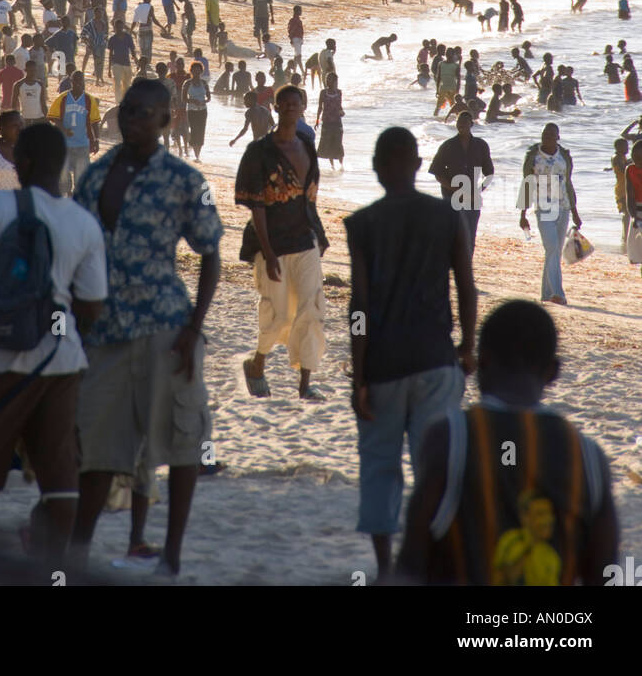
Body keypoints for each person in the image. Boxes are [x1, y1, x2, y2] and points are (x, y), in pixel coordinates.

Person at [71, 79, 222, 576]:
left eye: (145, 113)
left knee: (181, 442)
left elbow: (211, 254)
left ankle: (172, 557)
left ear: (167, 120)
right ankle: (75, 554)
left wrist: (194, 327)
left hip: (166, 329)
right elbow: (73, 251)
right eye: (128, 110)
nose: (133, 119)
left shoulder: (184, 179)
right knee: (97, 449)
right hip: (106, 333)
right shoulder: (94, 178)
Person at [0, 123, 107, 563]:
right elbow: (92, 307)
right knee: (60, 473)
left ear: (20, 162)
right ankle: (55, 565)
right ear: (63, 165)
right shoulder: (82, 221)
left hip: (6, 360)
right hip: (61, 365)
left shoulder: (0, 207)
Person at [397, 300, 618, 586]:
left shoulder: (451, 438)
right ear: (553, 372)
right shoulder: (588, 458)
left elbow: (411, 564)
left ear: (482, 362)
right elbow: (604, 574)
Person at [345, 127, 475, 580]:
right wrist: (468, 345)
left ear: (377, 167)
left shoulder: (362, 224)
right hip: (436, 360)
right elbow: (466, 285)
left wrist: (358, 375)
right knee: (434, 468)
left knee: (380, 467)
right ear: (418, 165)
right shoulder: (445, 216)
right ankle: (429, 561)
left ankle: (385, 569)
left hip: (383, 365)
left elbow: (358, 309)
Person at [237, 84, 328, 401]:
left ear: (303, 107)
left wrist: (318, 236)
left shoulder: (307, 146)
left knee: (311, 309)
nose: (290, 108)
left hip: (306, 241)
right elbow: (257, 207)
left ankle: (305, 384)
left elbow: (309, 199)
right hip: (271, 245)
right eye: (284, 103)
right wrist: (269, 251)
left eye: (295, 103)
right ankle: (256, 365)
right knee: (277, 314)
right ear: (275, 108)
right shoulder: (259, 152)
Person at [519, 123, 581, 306]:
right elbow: (527, 184)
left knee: (553, 251)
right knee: (552, 248)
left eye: (551, 135)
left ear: (557, 137)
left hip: (563, 208)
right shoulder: (534, 157)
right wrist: (523, 214)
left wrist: (575, 212)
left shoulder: (564, 156)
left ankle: (547, 294)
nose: (547, 137)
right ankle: (557, 293)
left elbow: (569, 184)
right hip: (544, 208)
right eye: (545, 134)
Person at [428, 112, 494, 252]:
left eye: (465, 122)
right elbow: (437, 173)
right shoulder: (447, 146)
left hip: (472, 199)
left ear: (471, 124)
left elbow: (489, 173)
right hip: (451, 198)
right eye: (459, 122)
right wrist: (455, 190)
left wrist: (478, 190)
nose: (461, 125)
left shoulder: (481, 146)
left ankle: (465, 269)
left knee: (470, 237)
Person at [49, 71, 100, 195]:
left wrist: (96, 139)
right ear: (71, 82)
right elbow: (53, 117)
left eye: (81, 81)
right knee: (63, 177)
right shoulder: (62, 98)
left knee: (81, 177)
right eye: (76, 81)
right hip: (64, 144)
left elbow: (95, 122)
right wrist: (64, 129)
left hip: (83, 143)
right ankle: (67, 197)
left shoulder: (89, 99)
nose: (79, 83)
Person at [316, 72, 345, 170]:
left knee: (338, 143)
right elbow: (320, 107)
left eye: (330, 79)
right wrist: (317, 120)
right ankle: (332, 166)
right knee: (328, 144)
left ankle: (341, 165)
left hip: (337, 122)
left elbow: (339, 106)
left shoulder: (339, 92)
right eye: (327, 79)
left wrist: (342, 112)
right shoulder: (323, 93)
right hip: (326, 122)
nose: (328, 81)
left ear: (335, 81)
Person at [107, 18, 137, 104]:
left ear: (123, 27)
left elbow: (132, 51)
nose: (119, 29)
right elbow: (110, 54)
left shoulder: (128, 37)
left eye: (120, 27)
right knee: (117, 84)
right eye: (117, 27)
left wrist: (136, 61)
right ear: (114, 28)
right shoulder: (112, 39)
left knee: (127, 84)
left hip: (127, 63)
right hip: (116, 64)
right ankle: (118, 102)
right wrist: (109, 69)